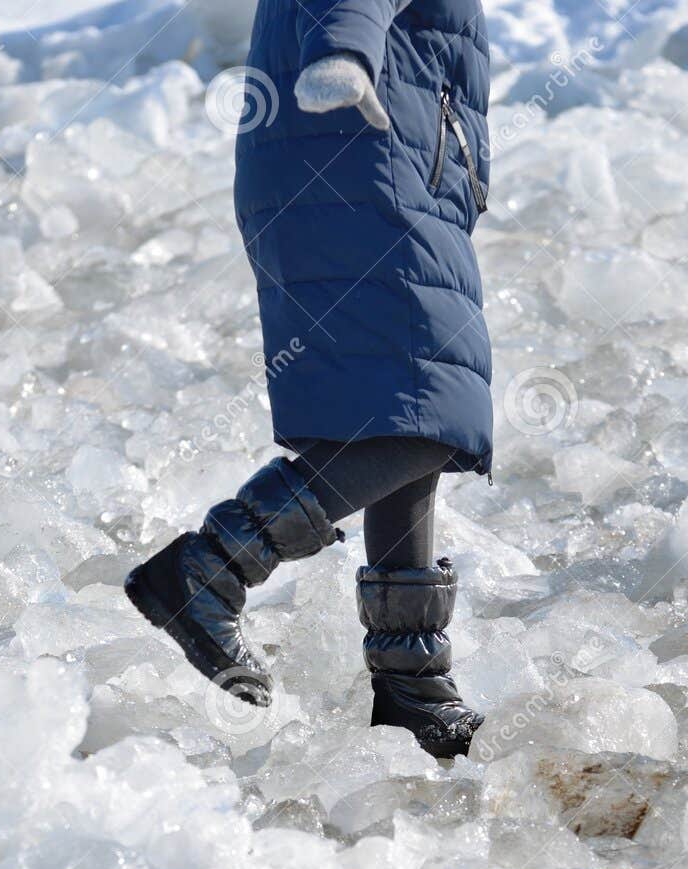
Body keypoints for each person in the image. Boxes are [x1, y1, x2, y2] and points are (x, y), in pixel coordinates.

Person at [127, 0, 492, 758]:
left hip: (368, 169)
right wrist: (344, 52)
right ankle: (211, 570)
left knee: (399, 414)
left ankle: (412, 685)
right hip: (364, 171)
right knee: (429, 419)